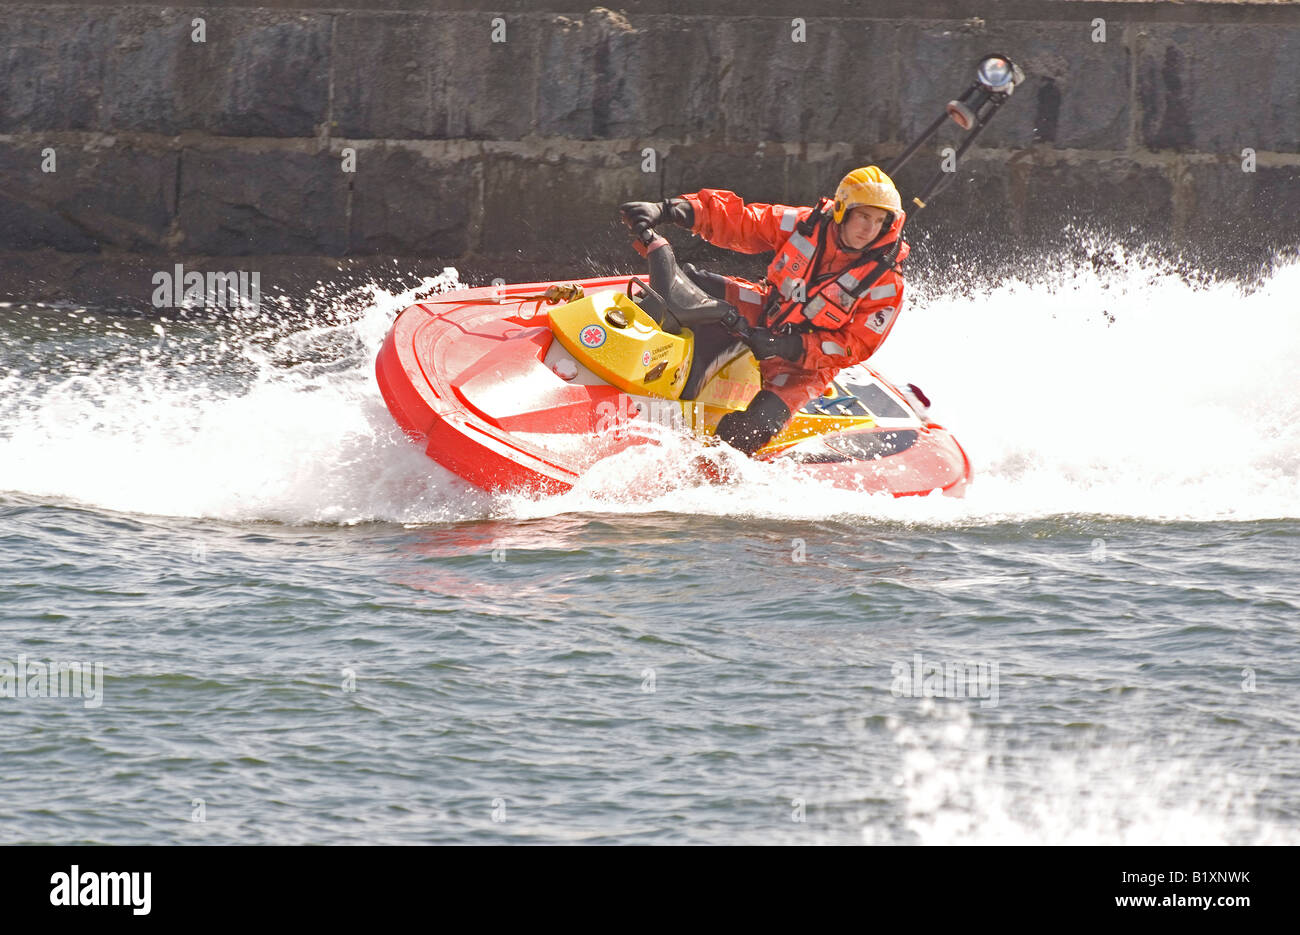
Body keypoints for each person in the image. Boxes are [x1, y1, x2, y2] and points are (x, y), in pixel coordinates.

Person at [619, 166, 909, 455]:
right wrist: (667, 210)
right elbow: (742, 221)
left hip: (803, 365)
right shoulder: (805, 224)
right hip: (765, 311)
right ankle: (629, 356)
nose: (869, 229)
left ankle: (701, 467)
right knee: (689, 281)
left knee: (748, 432)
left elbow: (856, 346)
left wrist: (786, 346)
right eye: (863, 217)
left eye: (879, 221)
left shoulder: (887, 283)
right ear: (843, 210)